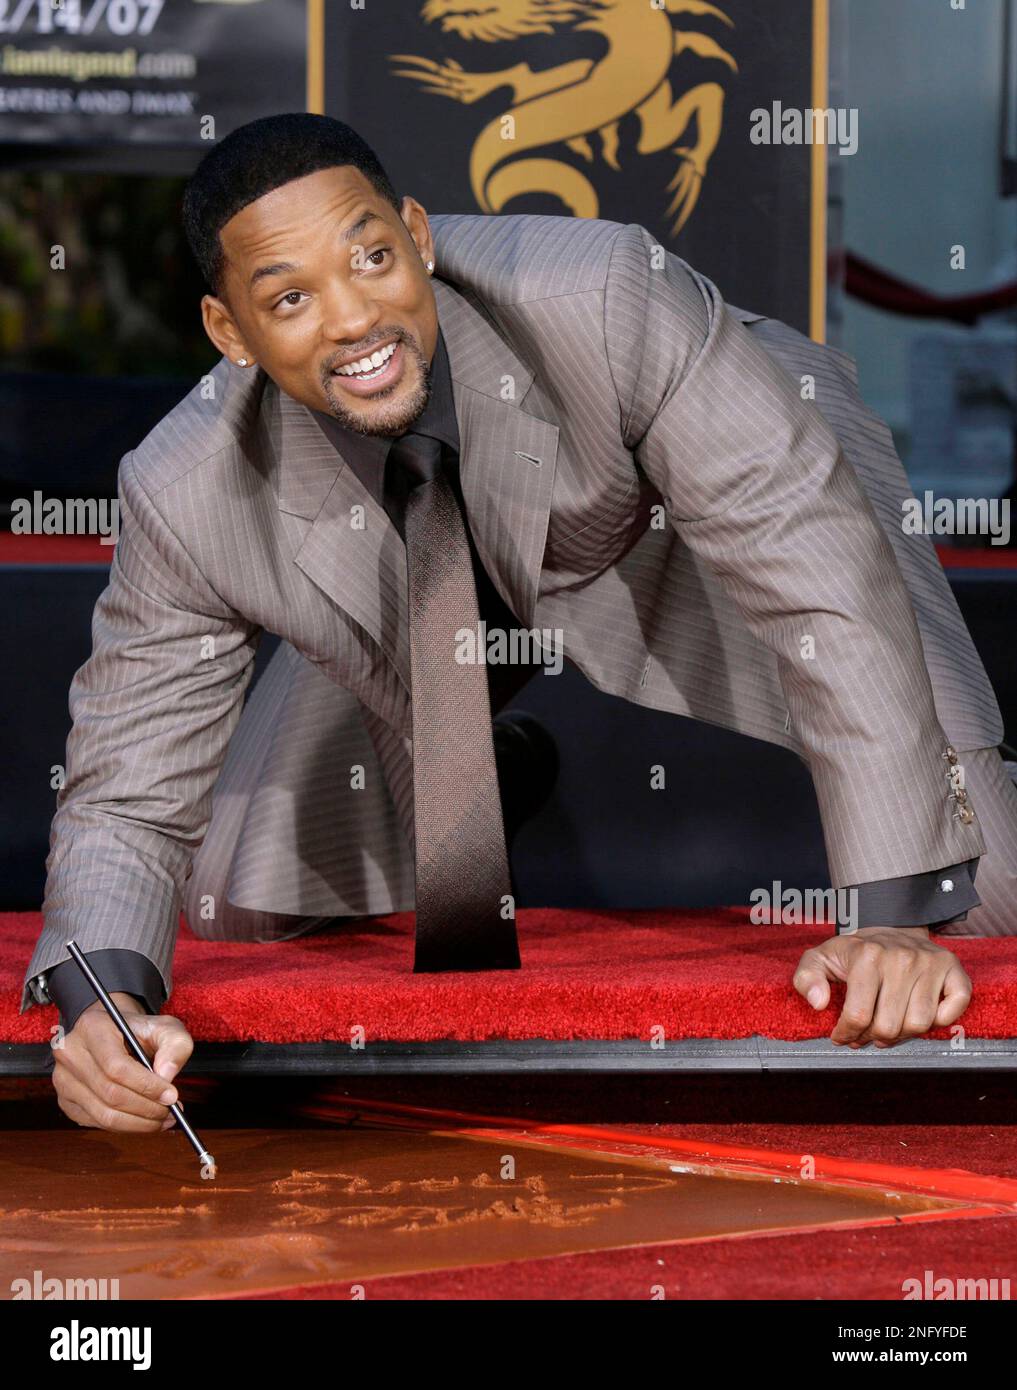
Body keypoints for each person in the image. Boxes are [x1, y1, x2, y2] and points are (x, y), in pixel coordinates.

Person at [21, 113, 1017, 1136]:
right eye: (289, 297)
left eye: (372, 256)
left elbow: (820, 575)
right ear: (230, 333)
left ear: (417, 232)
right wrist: (101, 1003)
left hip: (680, 518)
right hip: (406, 583)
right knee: (239, 894)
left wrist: (892, 918)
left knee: (985, 885)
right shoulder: (184, 486)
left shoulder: (606, 295)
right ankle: (477, 761)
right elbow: (127, 796)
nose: (355, 316)